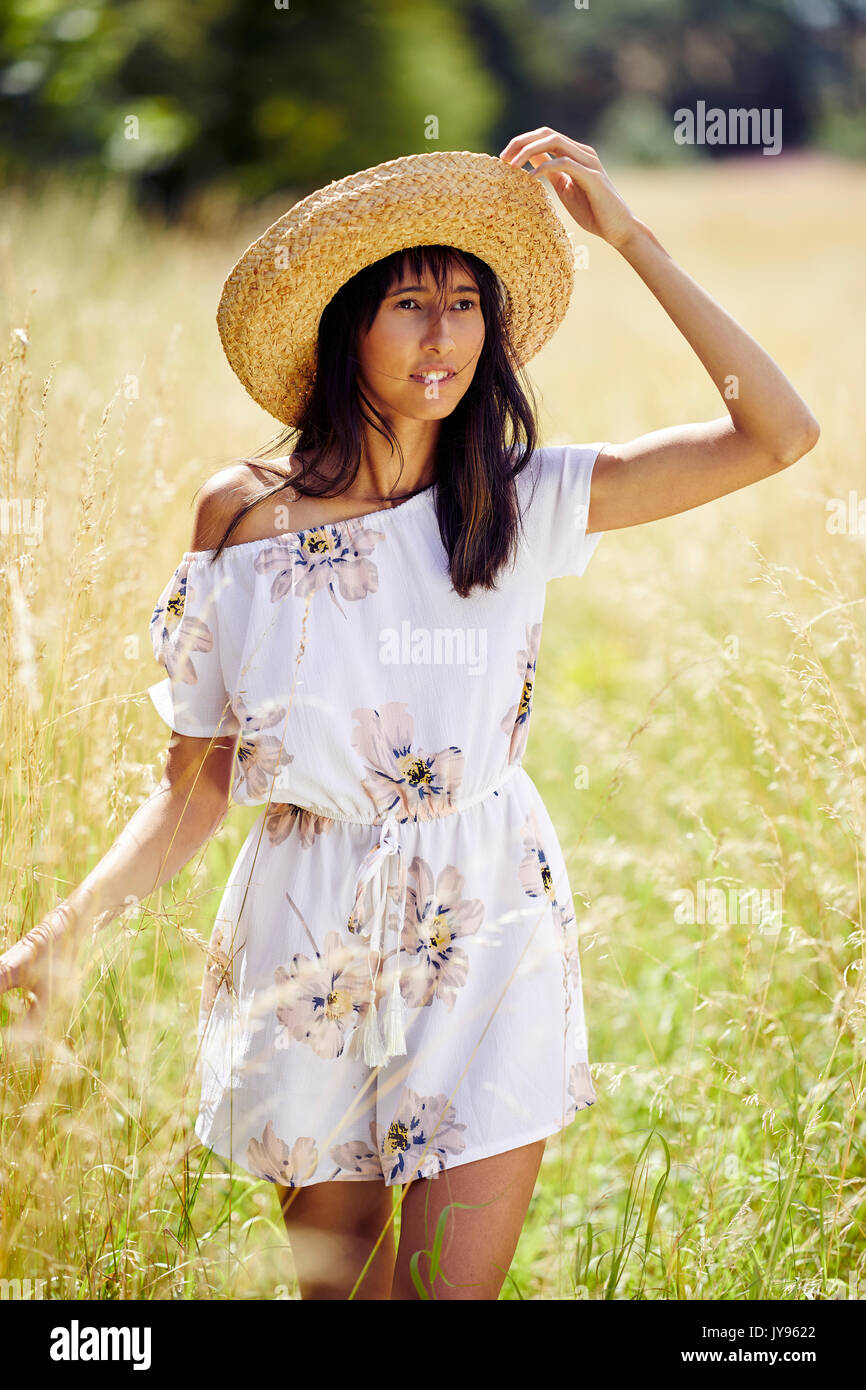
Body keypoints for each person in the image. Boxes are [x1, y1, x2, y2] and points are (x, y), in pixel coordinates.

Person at [0, 129, 819, 1300]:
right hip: (308, 923)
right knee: (346, 1297)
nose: (441, 336)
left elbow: (775, 434)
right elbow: (199, 776)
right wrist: (62, 931)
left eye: (463, 305)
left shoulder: (519, 495)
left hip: (484, 914)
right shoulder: (243, 515)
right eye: (406, 304)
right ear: (348, 328)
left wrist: (629, 238)